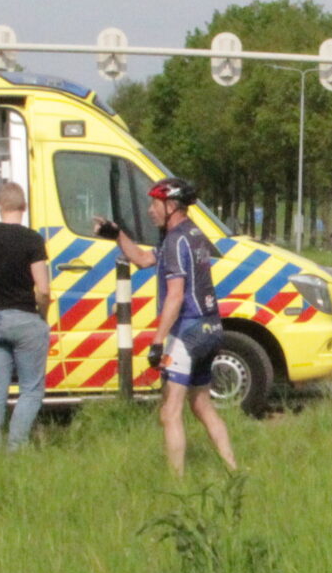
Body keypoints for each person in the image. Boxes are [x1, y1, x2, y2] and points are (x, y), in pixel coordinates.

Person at [101, 176, 238, 475]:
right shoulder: (191, 234)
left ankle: (176, 483)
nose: (150, 210)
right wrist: (117, 234)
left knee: (169, 412)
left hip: (187, 332)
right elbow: (143, 259)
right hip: (211, 328)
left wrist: (157, 342)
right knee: (201, 406)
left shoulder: (175, 241)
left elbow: (175, 296)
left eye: (154, 203)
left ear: (171, 205)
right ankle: (233, 470)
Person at [0, 180, 53, 450]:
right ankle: (16, 448)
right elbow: (43, 289)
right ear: (24, 207)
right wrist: (42, 316)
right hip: (25, 319)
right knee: (30, 390)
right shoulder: (32, 239)